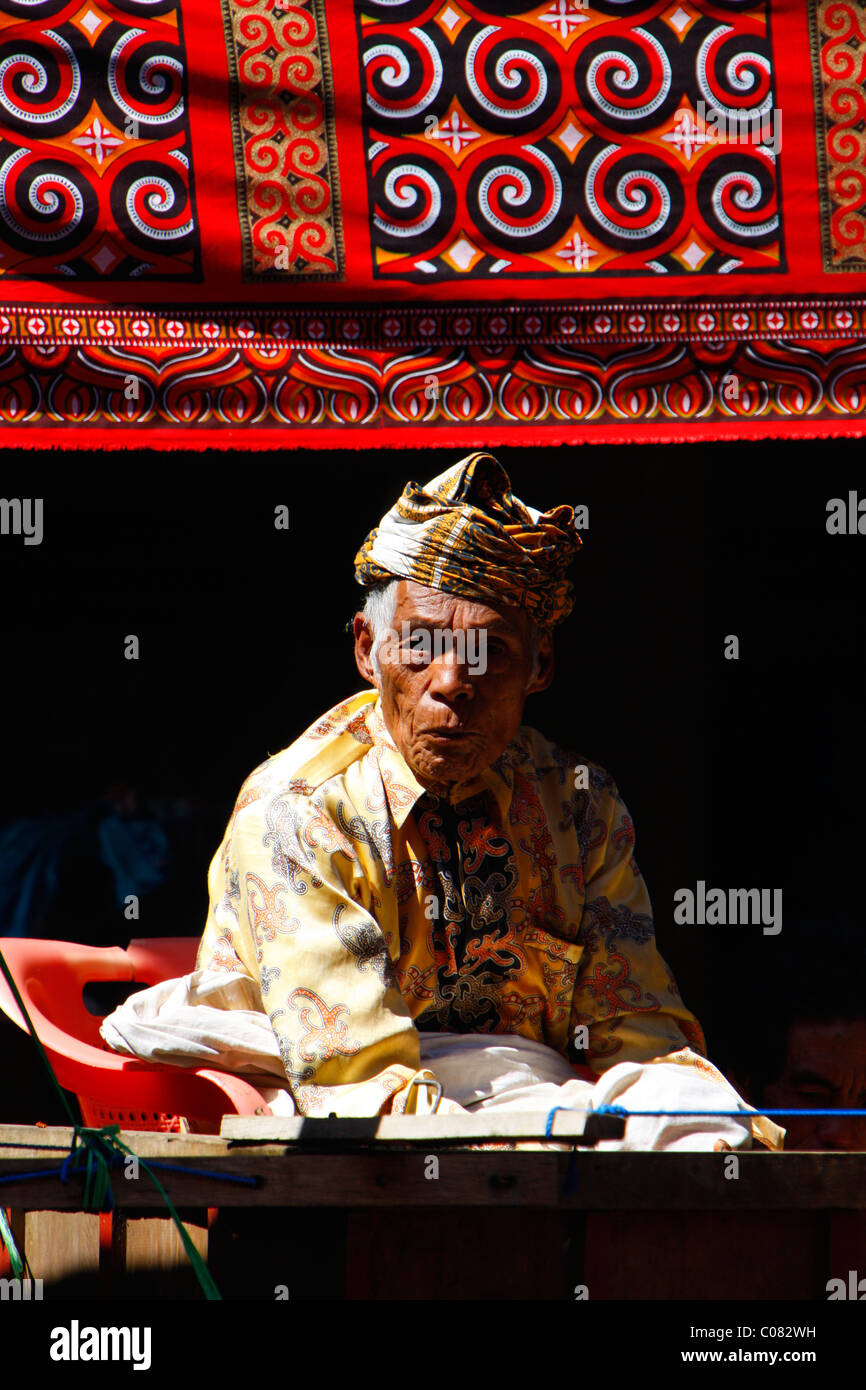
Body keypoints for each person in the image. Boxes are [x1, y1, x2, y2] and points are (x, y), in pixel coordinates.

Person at [160, 452, 776, 1148]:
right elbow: (357, 1084)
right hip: (325, 1137)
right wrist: (538, 1145)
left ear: (540, 666)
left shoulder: (579, 807)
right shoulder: (300, 810)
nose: (454, 681)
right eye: (422, 645)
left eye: (491, 652)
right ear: (370, 650)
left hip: (531, 1112)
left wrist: (700, 1124)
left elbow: (638, 1033)